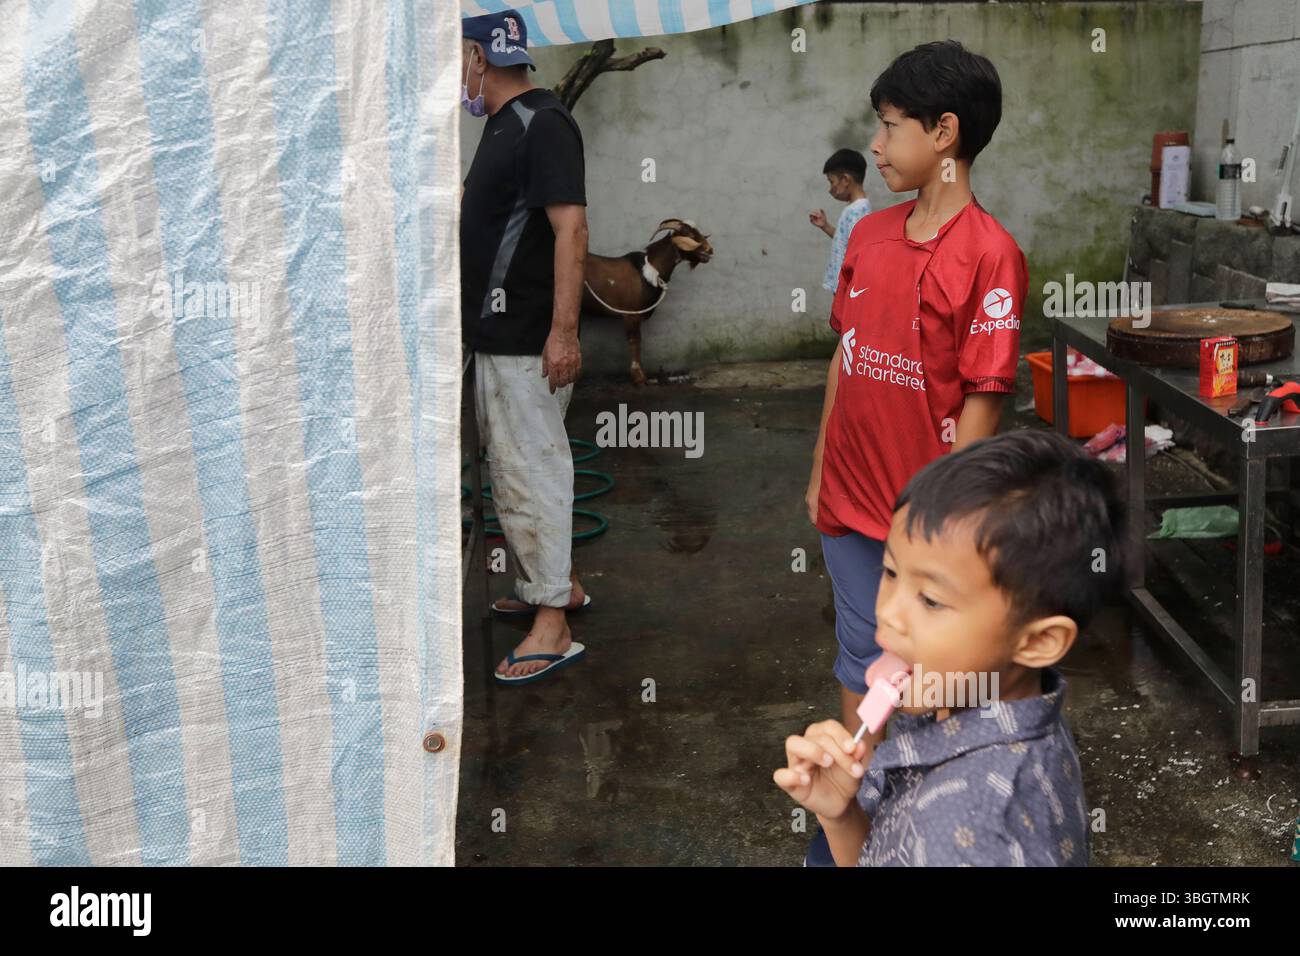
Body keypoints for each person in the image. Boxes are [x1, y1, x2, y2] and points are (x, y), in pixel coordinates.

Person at [802, 40, 1028, 863]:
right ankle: (853, 814)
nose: (876, 144)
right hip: (846, 503)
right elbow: (846, 353)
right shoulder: (868, 233)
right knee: (861, 658)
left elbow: (986, 395)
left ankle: (920, 816)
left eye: (889, 126)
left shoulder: (990, 253)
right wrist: (821, 466)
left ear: (944, 133)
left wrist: (938, 526)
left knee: (930, 677)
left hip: (917, 519)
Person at [776, 429, 1128, 866]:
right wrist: (841, 815)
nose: (889, 614)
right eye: (889, 572)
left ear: (1038, 641)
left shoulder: (973, 837)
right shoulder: (955, 696)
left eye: (930, 599)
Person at [459, 9, 590, 684]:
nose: (458, 73)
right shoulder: (503, 127)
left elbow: (570, 228)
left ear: (479, 56)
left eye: (461, 57)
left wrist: (564, 332)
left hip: (525, 341)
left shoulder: (543, 122)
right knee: (520, 468)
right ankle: (553, 584)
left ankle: (552, 622)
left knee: (530, 472)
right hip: (499, 337)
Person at [809, 149, 871, 294]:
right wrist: (825, 226)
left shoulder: (857, 211)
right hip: (844, 285)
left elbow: (858, 250)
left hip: (848, 286)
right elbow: (845, 240)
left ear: (845, 180)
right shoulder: (854, 208)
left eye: (832, 182)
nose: (830, 189)